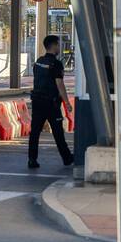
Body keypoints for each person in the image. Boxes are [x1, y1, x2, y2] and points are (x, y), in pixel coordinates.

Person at [29, 34, 74, 170]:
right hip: (51, 103)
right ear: (54, 46)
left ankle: (32, 159)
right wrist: (67, 103)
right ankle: (67, 158)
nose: (59, 47)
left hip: (37, 101)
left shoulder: (38, 62)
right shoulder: (56, 64)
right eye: (58, 44)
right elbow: (60, 85)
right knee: (58, 132)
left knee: (35, 132)